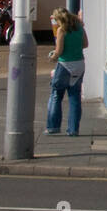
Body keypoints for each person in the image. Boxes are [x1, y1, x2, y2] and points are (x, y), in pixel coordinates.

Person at [45, 9, 88, 137]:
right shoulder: (80, 28)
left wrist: (52, 57)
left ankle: (53, 127)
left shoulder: (62, 30)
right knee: (75, 97)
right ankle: (73, 129)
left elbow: (59, 51)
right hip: (79, 64)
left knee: (56, 95)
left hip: (65, 65)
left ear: (60, 20)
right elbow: (85, 44)